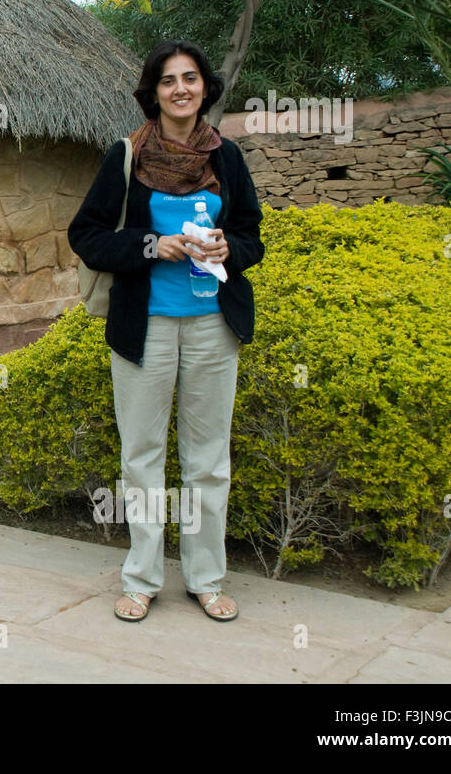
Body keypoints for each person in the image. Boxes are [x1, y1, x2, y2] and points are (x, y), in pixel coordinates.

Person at [67, 39, 265, 623]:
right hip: (145, 326)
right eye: (169, 81)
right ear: (153, 93)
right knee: (143, 454)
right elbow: (88, 234)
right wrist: (153, 245)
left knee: (207, 459)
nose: (181, 88)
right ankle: (143, 578)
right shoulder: (126, 156)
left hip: (212, 326)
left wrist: (233, 245)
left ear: (206, 87)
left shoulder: (225, 158)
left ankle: (206, 578)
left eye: (191, 78)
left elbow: (253, 235)